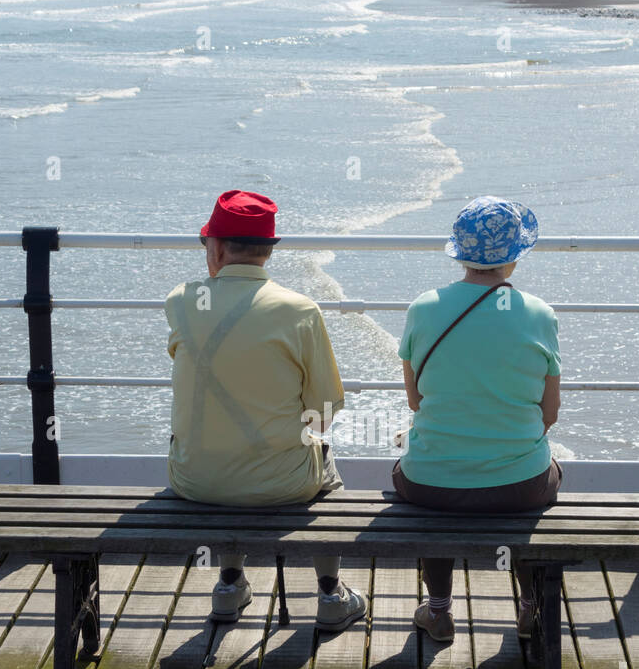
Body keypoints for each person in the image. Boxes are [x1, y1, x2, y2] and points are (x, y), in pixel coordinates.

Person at [164, 189, 367, 631]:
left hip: (194, 479)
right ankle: (331, 594)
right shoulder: (300, 310)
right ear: (268, 252)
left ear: (216, 247)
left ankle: (229, 585)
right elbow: (325, 409)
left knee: (225, 443)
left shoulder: (181, 299)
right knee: (323, 463)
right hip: (284, 484)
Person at [392, 196, 562, 643]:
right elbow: (550, 414)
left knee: (430, 485)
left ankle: (440, 611)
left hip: (431, 484)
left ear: (460, 250)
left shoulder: (423, 307)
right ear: (515, 256)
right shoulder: (539, 313)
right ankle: (529, 609)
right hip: (518, 487)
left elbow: (415, 401)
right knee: (540, 476)